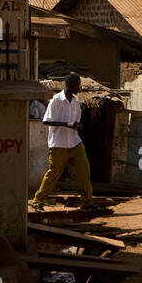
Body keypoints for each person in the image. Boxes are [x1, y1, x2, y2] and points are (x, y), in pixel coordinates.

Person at [30, 74, 96, 210]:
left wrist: (77, 126)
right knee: (53, 174)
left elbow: (75, 121)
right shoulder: (56, 101)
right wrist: (67, 124)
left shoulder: (76, 101)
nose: (79, 87)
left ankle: (87, 202)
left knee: (84, 171)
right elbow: (46, 120)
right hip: (58, 144)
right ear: (70, 85)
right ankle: (37, 201)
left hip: (74, 142)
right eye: (78, 84)